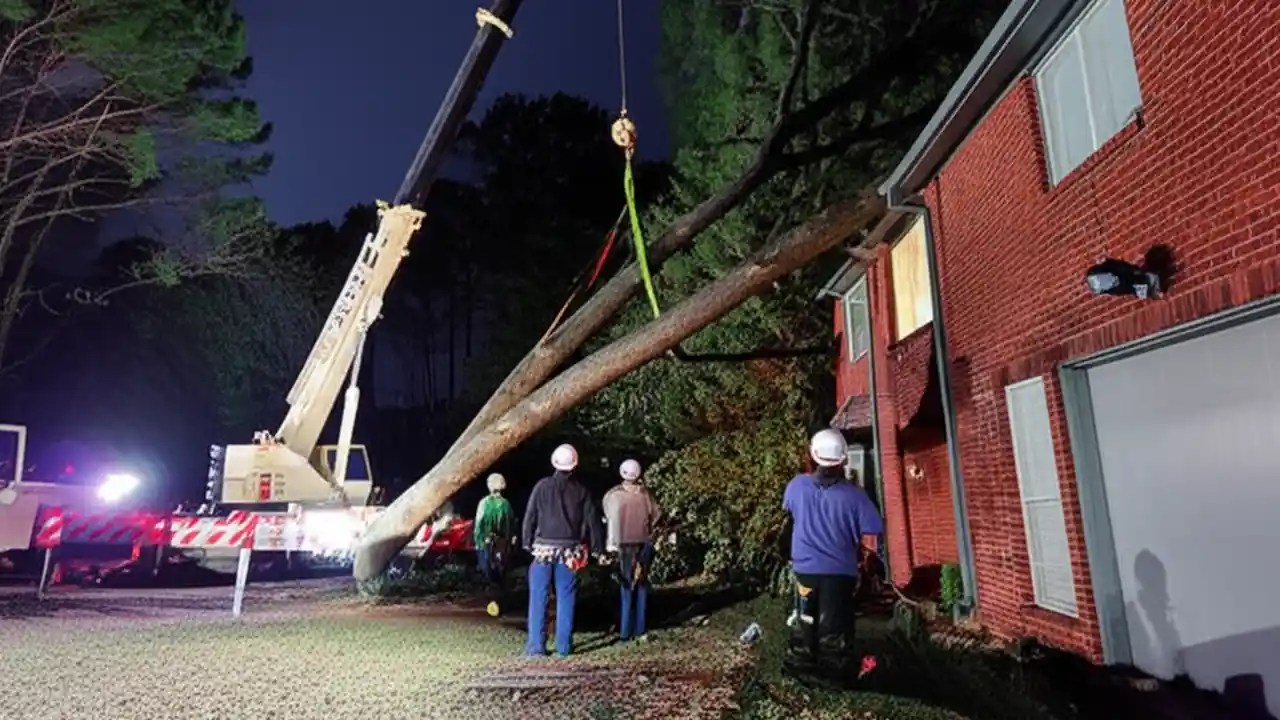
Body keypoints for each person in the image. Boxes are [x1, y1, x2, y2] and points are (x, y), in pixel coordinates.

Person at [782, 428, 884, 683]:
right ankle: (833, 672)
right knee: (834, 625)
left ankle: (801, 664)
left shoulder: (796, 486)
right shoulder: (855, 496)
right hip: (840, 572)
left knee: (804, 618)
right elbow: (874, 528)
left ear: (812, 456)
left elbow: (790, 512)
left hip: (805, 569)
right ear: (843, 460)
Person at [521, 443, 604, 657]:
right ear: (575, 465)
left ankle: (536, 647)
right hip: (570, 552)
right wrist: (597, 548)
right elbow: (593, 521)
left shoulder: (541, 486)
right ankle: (564, 647)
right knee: (566, 597)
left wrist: (526, 541)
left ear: (554, 463)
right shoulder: (581, 491)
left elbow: (530, 515)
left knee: (538, 597)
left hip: (542, 550)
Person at [602, 458, 662, 642]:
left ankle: (625, 630)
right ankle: (640, 628)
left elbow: (607, 515)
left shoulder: (613, 495)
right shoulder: (645, 495)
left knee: (625, 585)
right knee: (642, 584)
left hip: (621, 545)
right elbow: (657, 514)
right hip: (643, 543)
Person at [474, 473, 516, 588]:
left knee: (487, 569)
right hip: (502, 543)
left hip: (487, 542)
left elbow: (479, 523)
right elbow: (511, 525)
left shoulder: (484, 503)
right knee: (501, 568)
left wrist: (478, 541)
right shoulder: (506, 504)